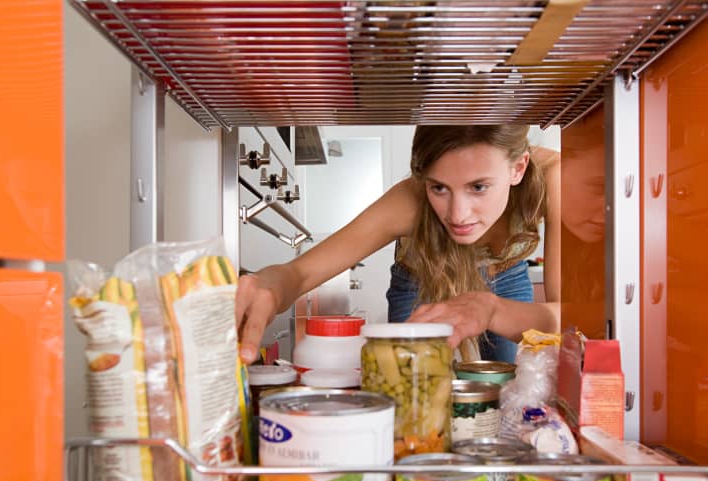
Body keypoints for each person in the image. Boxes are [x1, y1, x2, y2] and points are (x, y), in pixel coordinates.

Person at [235, 125, 561, 364]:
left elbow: (575, 322)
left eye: (478, 187)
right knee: (410, 379)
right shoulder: (409, 201)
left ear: (518, 169)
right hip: (421, 276)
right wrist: (272, 286)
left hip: (506, 277)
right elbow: (301, 274)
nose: (458, 215)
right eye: (439, 188)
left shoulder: (554, 178)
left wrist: (492, 308)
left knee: (503, 380)